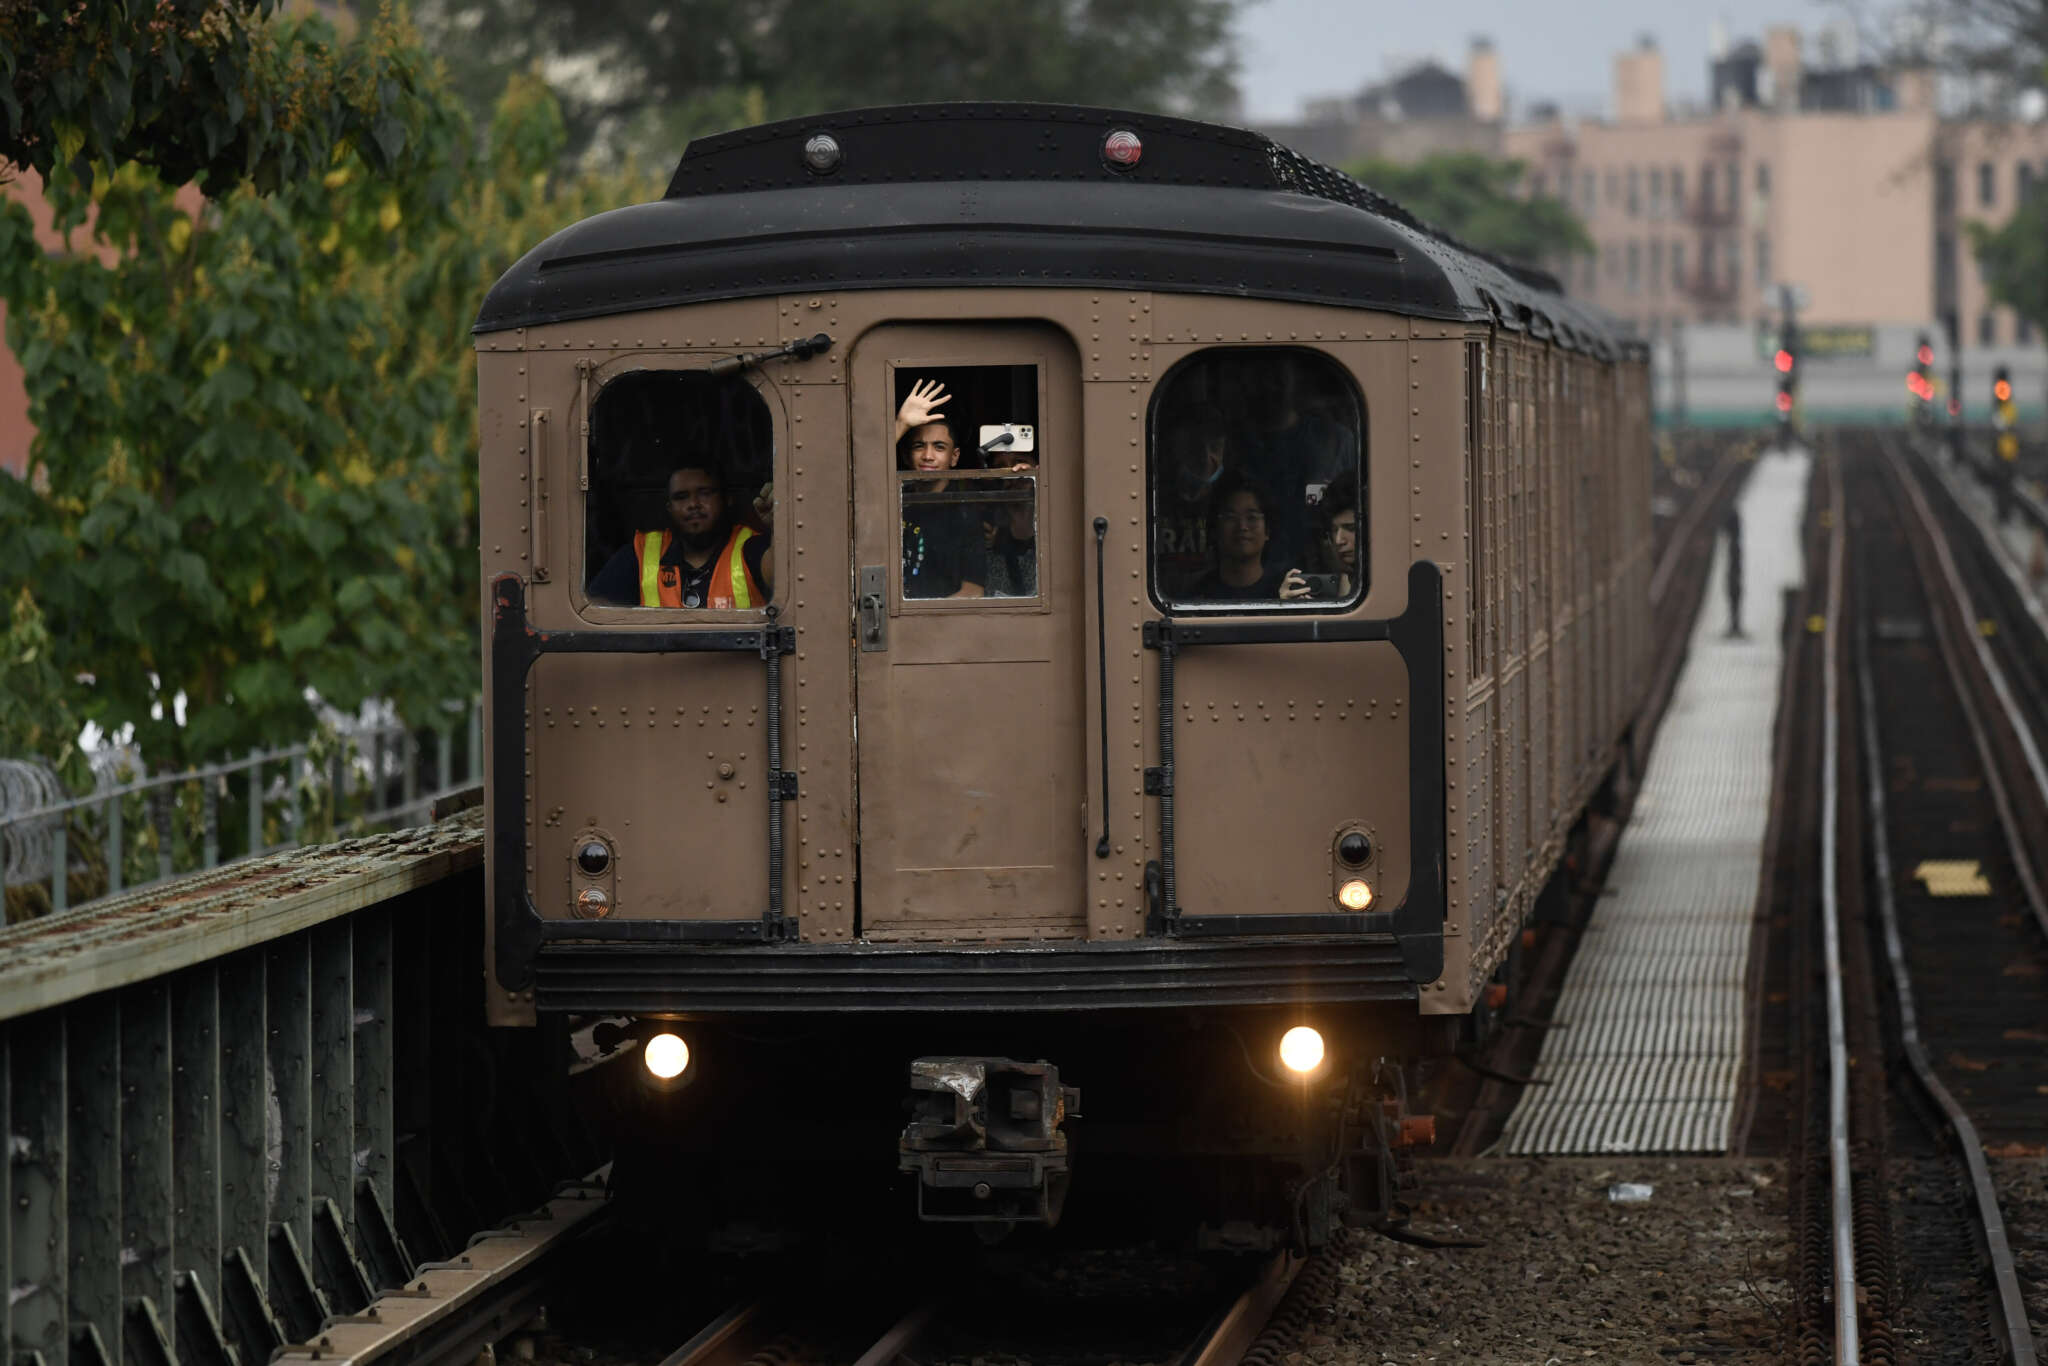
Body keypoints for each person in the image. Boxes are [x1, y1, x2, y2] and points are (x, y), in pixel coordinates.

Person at [587, 458, 771, 607]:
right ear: (669, 508)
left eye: (705, 493)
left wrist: (777, 525)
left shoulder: (750, 547)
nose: (693, 504)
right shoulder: (642, 553)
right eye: (681, 497)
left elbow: (787, 584)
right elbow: (594, 610)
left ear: (727, 499)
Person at [895, 378, 986, 598]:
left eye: (939, 447)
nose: (928, 456)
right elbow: (860, 477)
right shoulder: (893, 499)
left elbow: (973, 592)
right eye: (919, 446)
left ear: (954, 457)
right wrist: (900, 424)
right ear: (906, 456)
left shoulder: (966, 511)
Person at [1185, 473, 1293, 602]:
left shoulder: (1284, 591)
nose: (1242, 526)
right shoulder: (1194, 598)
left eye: (1252, 517)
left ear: (1267, 531)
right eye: (1231, 517)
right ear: (1215, 530)